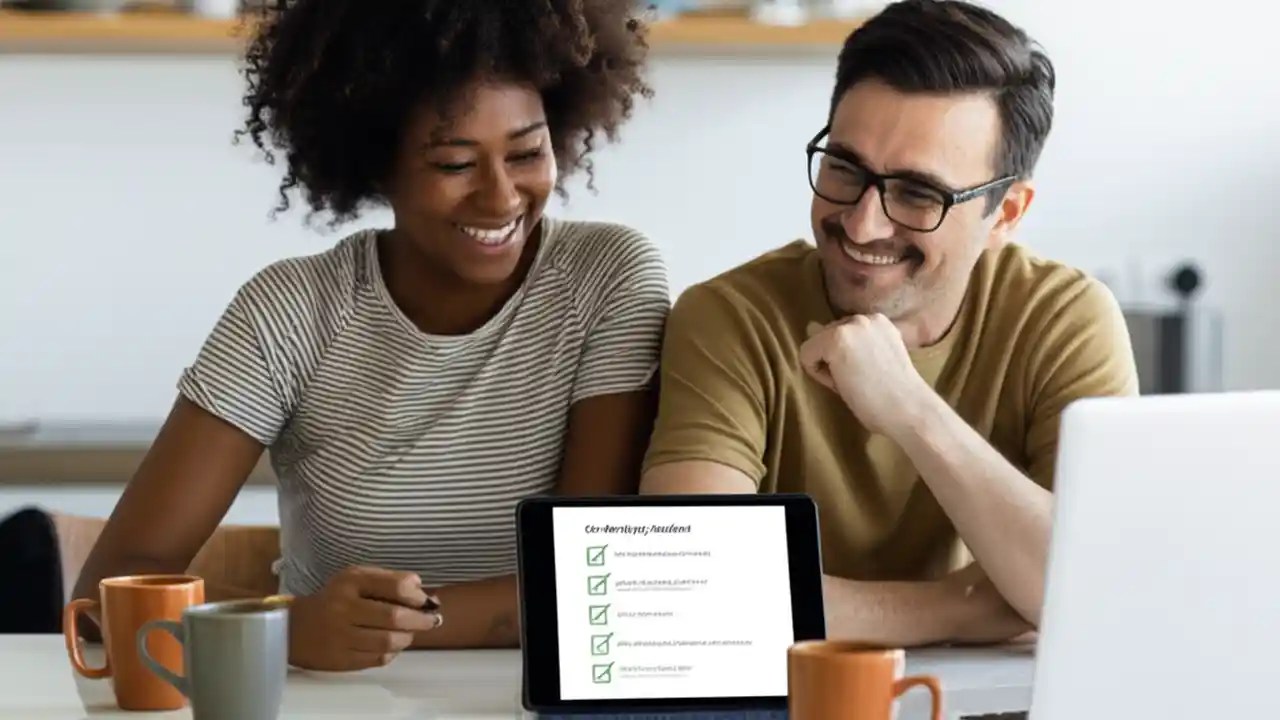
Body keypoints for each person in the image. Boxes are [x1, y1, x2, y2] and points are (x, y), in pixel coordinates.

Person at [72, 0, 667, 671]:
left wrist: (368, 627)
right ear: (378, 164)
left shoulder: (608, 280)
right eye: (454, 164)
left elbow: (592, 583)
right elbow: (103, 598)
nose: (501, 198)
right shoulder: (289, 311)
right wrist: (292, 632)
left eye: (527, 153)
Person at [639, 0, 1138, 647]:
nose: (862, 223)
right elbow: (685, 589)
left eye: (917, 193)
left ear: (1007, 212)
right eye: (845, 168)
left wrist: (908, 408)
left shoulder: (1064, 319)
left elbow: (1104, 589)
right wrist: (963, 610)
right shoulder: (733, 318)